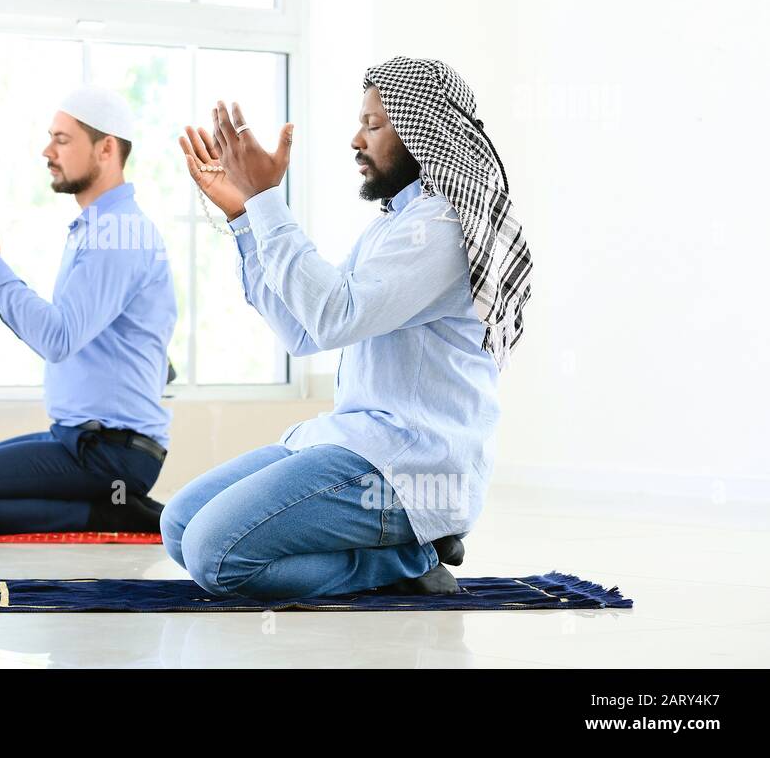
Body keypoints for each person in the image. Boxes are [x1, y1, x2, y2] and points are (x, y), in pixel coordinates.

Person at [162, 56, 534, 598]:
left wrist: (266, 200)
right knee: (178, 526)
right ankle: (395, 550)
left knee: (214, 557)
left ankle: (408, 558)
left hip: (409, 467)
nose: (356, 139)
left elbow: (334, 315)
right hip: (353, 443)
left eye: (375, 125)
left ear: (421, 133)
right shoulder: (395, 224)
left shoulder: (440, 229)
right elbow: (305, 330)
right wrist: (245, 217)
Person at [0, 86, 178, 536]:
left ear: (106, 148)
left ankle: (109, 511)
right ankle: (106, 503)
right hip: (79, 439)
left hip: (108, 455)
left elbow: (58, 338)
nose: (47, 151)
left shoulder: (119, 233)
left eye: (62, 140)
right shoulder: (102, 228)